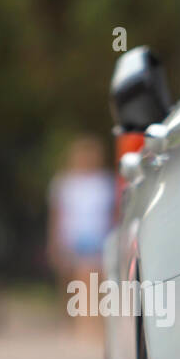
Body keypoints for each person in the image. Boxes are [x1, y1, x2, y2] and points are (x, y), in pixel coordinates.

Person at [47, 136, 113, 329]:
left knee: (93, 279)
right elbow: (57, 215)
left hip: (98, 235)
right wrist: (54, 241)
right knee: (71, 280)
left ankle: (92, 320)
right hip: (72, 235)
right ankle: (73, 320)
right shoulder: (64, 183)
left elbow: (111, 213)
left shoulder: (104, 182)